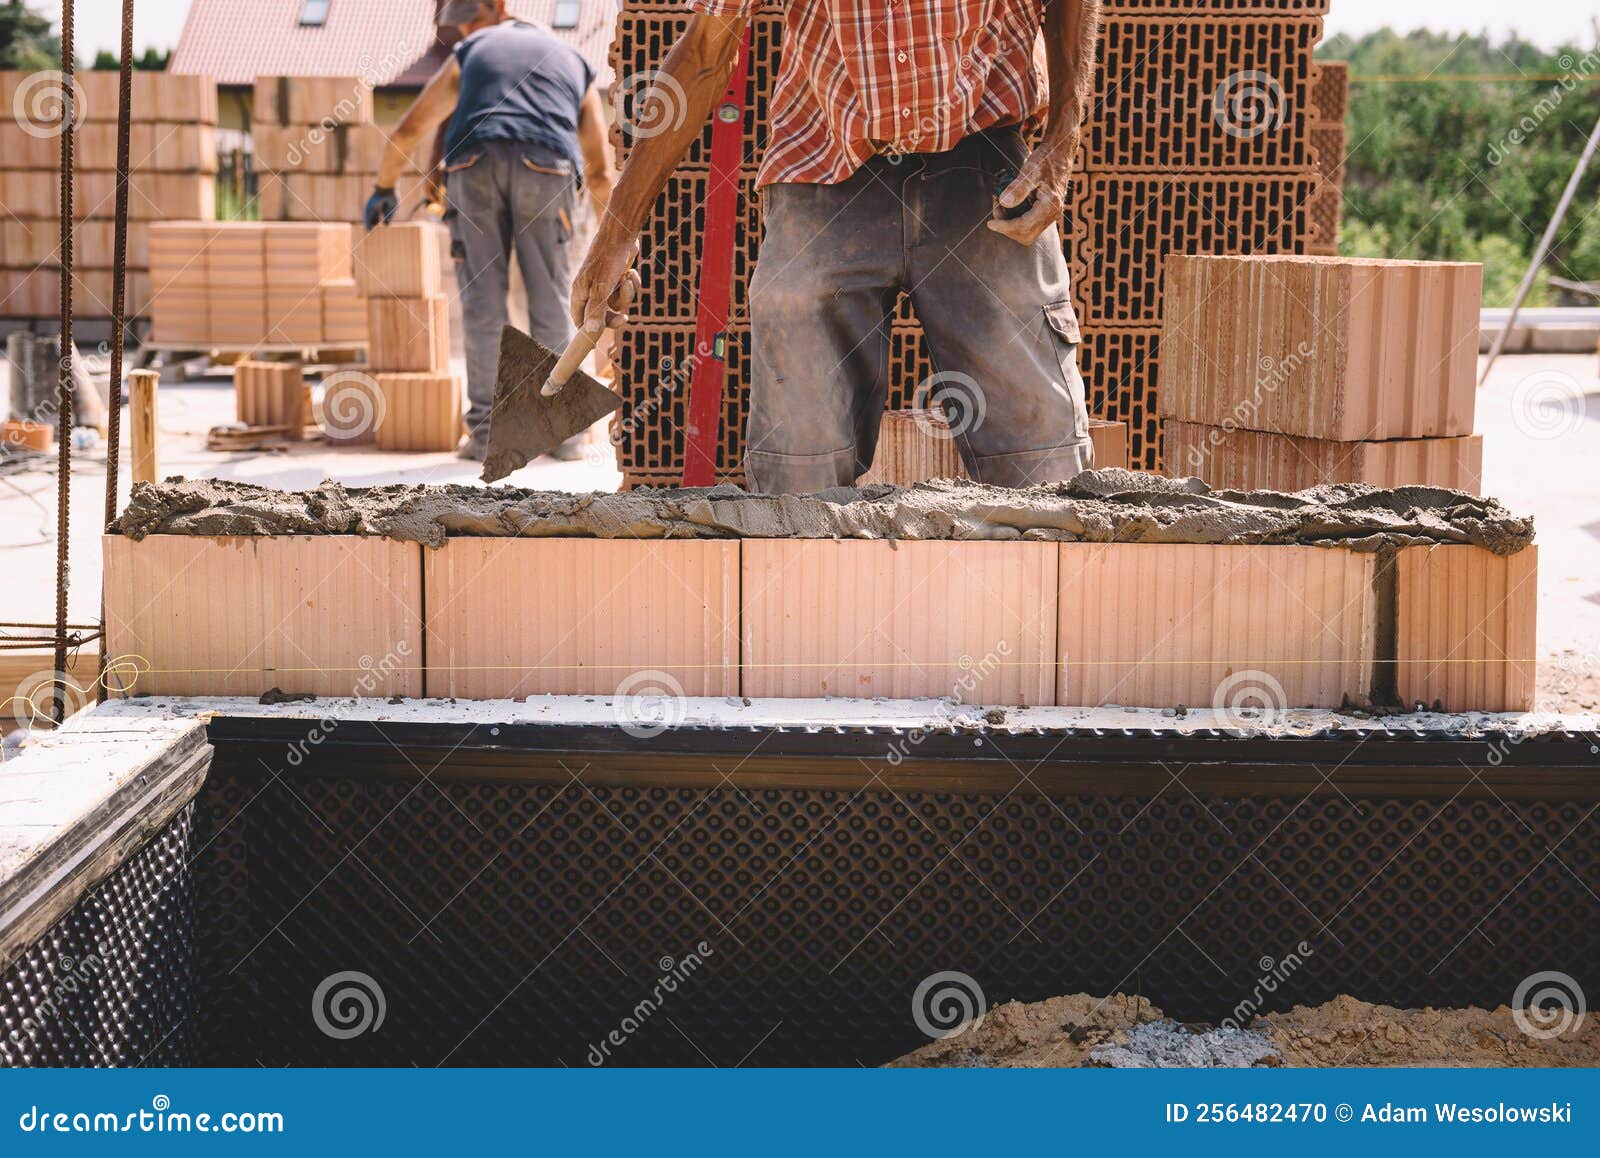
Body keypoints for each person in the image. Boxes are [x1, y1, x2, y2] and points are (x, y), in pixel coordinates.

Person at [572, 0, 1101, 492]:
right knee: (799, 476)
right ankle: (804, 575)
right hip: (824, 152)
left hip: (982, 155)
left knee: (1043, 467)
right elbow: (709, 49)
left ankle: (1034, 585)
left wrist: (1061, 141)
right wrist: (618, 230)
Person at [366, 0, 617, 461]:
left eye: (467, 20)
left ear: (496, 14)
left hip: (472, 165)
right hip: (548, 169)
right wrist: (612, 241)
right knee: (551, 298)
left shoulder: (472, 50)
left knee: (483, 304)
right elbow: (601, 171)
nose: (462, 29)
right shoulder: (573, 61)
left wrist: (384, 187)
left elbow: (408, 129)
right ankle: (564, 437)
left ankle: (485, 435)